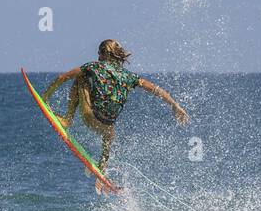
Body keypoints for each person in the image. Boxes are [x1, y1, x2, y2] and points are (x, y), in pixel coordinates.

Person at [43, 39, 189, 180]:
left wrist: (45, 97)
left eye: (99, 53)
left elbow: (63, 77)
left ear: (104, 53)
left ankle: (67, 119)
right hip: (106, 126)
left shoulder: (93, 67)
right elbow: (155, 89)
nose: (98, 57)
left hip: (91, 117)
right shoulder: (129, 76)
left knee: (80, 78)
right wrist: (174, 105)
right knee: (110, 128)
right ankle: (103, 163)